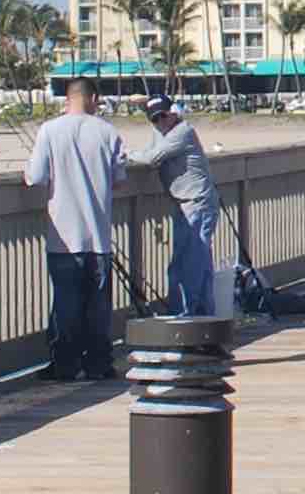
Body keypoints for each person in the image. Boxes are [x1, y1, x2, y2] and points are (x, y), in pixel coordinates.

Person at [21, 78, 131, 380]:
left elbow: (37, 175)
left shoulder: (49, 130)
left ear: (67, 99)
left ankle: (65, 365)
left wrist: (26, 172)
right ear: (93, 97)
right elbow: (120, 179)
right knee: (98, 306)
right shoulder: (107, 132)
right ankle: (98, 363)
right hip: (98, 236)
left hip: (63, 238)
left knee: (66, 303)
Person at [131, 94, 222, 319]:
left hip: (197, 204)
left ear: (173, 112)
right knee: (195, 262)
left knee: (188, 264)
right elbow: (153, 147)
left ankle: (186, 317)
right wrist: (146, 106)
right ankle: (201, 317)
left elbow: (152, 157)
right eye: (154, 119)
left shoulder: (183, 132)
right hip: (185, 204)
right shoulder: (163, 132)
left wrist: (120, 157)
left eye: (163, 116)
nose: (159, 122)